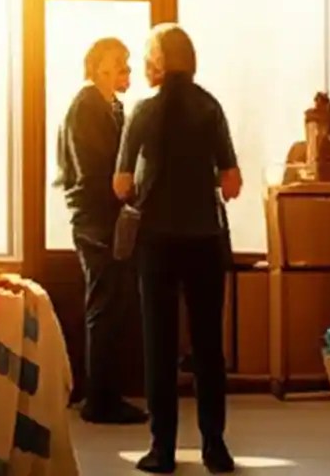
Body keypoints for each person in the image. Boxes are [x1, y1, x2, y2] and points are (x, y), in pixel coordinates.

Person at [113, 23, 242, 475]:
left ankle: (162, 449)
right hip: (205, 240)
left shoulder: (143, 112)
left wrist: (147, 184)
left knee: (160, 344)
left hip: (157, 242)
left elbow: (121, 184)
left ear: (160, 62)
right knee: (208, 346)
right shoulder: (210, 107)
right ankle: (215, 448)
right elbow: (232, 183)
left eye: (148, 56)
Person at [54, 37, 147, 425]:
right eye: (120, 63)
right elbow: (97, 168)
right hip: (96, 219)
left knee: (109, 303)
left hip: (106, 217)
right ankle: (100, 399)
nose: (127, 69)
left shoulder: (111, 107)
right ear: (99, 68)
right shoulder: (87, 106)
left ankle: (102, 393)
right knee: (104, 304)